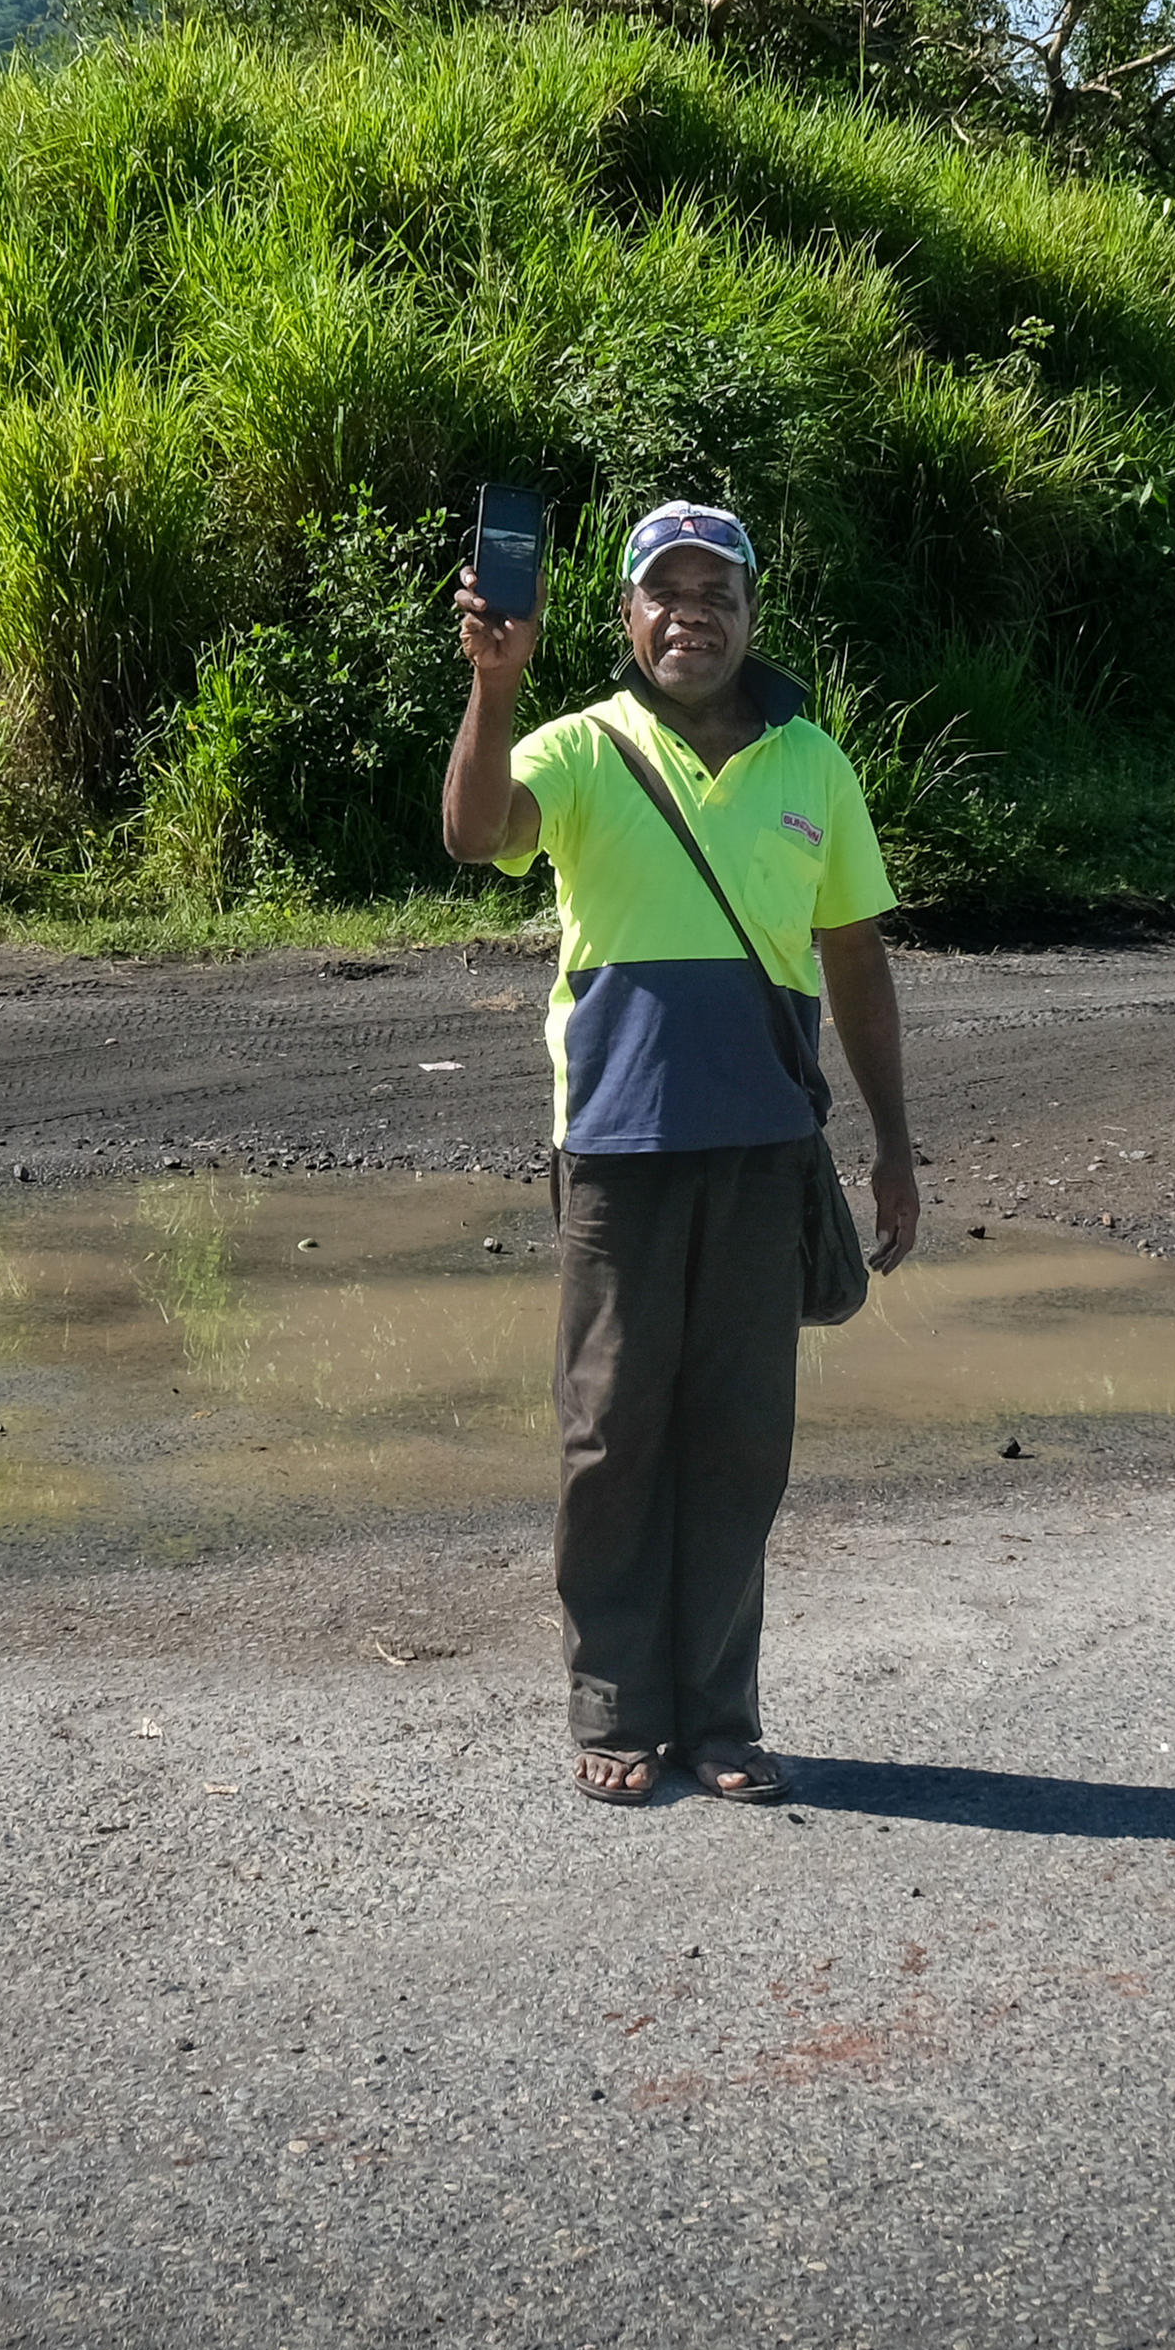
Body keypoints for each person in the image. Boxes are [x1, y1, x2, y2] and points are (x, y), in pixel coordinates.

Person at [446, 497, 921, 1807]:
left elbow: (856, 962)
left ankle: (718, 1716)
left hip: (767, 1151)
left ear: (751, 616)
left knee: (738, 1439)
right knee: (610, 1433)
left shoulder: (814, 764)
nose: (691, 616)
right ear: (628, 615)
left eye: (718, 594)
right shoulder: (579, 748)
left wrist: (894, 1144)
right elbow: (477, 833)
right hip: (619, 1148)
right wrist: (494, 685)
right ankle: (615, 1704)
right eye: (667, 592)